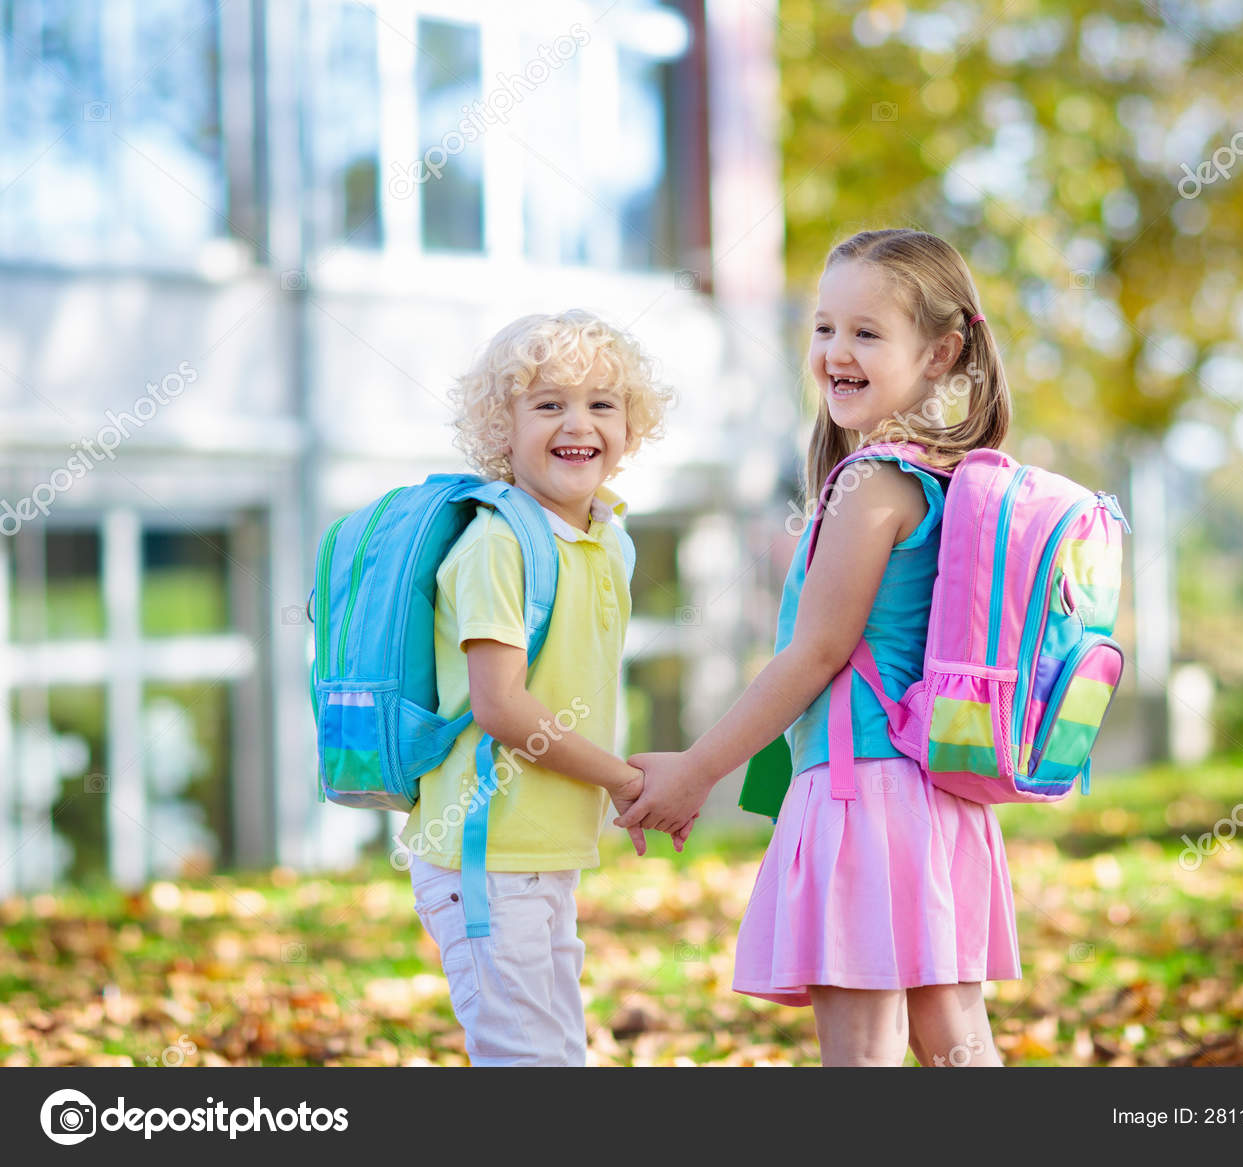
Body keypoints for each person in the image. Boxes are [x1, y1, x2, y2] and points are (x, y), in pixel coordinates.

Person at [618, 229, 1020, 1066]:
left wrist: (697, 769)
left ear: (942, 353)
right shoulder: (943, 476)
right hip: (933, 793)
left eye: (868, 332)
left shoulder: (872, 482)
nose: (836, 351)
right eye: (825, 327)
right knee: (957, 1043)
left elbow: (815, 654)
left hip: (861, 796)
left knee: (862, 1055)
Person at [401, 309, 678, 1066]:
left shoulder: (605, 537)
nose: (577, 422)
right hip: (485, 856)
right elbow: (501, 706)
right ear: (503, 427)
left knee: (554, 1056)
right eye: (548, 403)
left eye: (601, 403)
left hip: (544, 850)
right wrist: (623, 779)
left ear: (630, 427)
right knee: (530, 1061)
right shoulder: (497, 543)